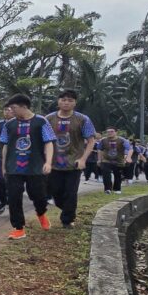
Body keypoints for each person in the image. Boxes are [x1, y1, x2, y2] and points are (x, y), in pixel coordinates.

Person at [0, 93, 55, 240]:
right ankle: (18, 228)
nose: (11, 111)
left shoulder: (41, 121)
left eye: (13, 108)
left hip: (35, 166)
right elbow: (5, 145)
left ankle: (41, 213)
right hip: (13, 167)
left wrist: (48, 162)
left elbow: (49, 142)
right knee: (14, 197)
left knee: (38, 195)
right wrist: (3, 166)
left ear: (24, 106)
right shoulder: (9, 125)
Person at [45, 89, 97, 229]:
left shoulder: (82, 119)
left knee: (70, 192)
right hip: (54, 162)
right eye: (63, 99)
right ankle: (67, 209)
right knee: (55, 192)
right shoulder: (49, 119)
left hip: (74, 162)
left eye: (70, 100)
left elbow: (91, 140)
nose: (66, 103)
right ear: (58, 101)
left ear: (75, 103)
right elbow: (42, 139)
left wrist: (83, 159)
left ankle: (67, 220)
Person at [96, 127, 132, 193]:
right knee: (106, 174)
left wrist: (128, 157)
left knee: (117, 175)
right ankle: (107, 189)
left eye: (112, 131)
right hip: (106, 160)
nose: (109, 133)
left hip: (118, 160)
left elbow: (130, 149)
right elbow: (99, 150)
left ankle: (117, 189)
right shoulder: (103, 140)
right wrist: (99, 159)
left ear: (116, 132)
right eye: (108, 132)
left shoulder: (122, 140)